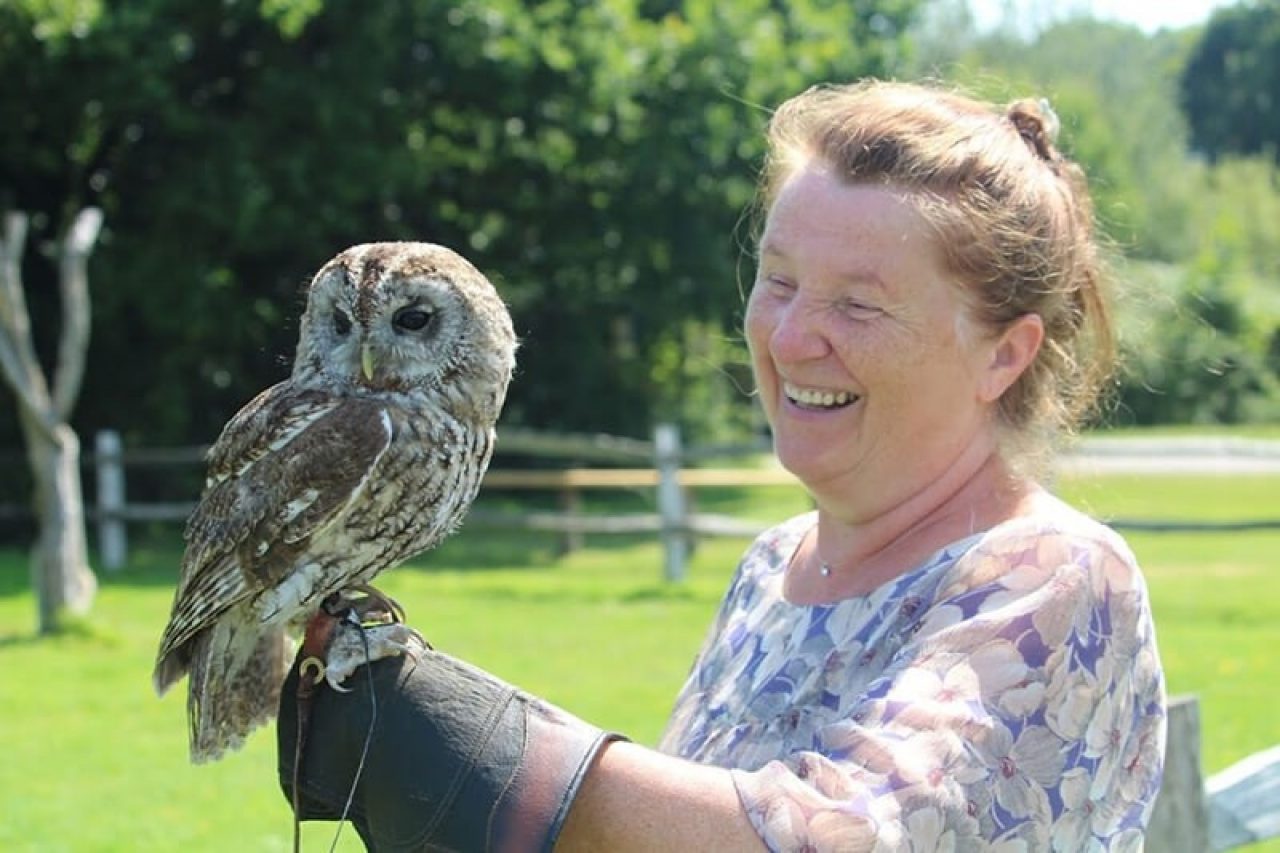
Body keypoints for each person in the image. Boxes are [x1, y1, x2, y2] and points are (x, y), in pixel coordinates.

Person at [278, 79, 1166, 851]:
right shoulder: (773, 568)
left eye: (859, 305)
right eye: (779, 280)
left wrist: (516, 767)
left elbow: (845, 838)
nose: (791, 336)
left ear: (1003, 354)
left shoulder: (1054, 577)